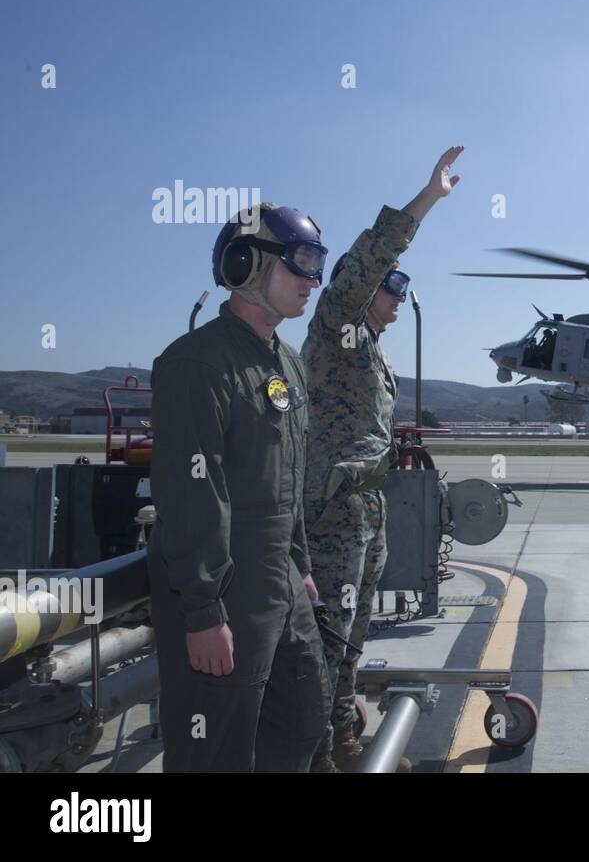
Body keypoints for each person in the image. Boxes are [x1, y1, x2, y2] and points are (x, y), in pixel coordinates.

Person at [147, 203, 333, 772]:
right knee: (216, 746)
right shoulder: (197, 364)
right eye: (301, 263)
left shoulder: (288, 364)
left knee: (303, 718)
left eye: (318, 265)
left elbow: (289, 474)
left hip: (281, 580)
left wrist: (300, 562)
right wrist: (203, 613)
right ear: (245, 263)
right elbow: (191, 495)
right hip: (226, 588)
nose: (313, 281)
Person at [302, 145, 463, 771]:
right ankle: (322, 753)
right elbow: (376, 253)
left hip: (366, 509)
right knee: (330, 640)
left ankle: (338, 740)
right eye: (390, 289)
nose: (399, 298)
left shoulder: (370, 349)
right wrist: (428, 200)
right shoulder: (338, 328)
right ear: (362, 287)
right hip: (335, 512)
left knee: (350, 640)